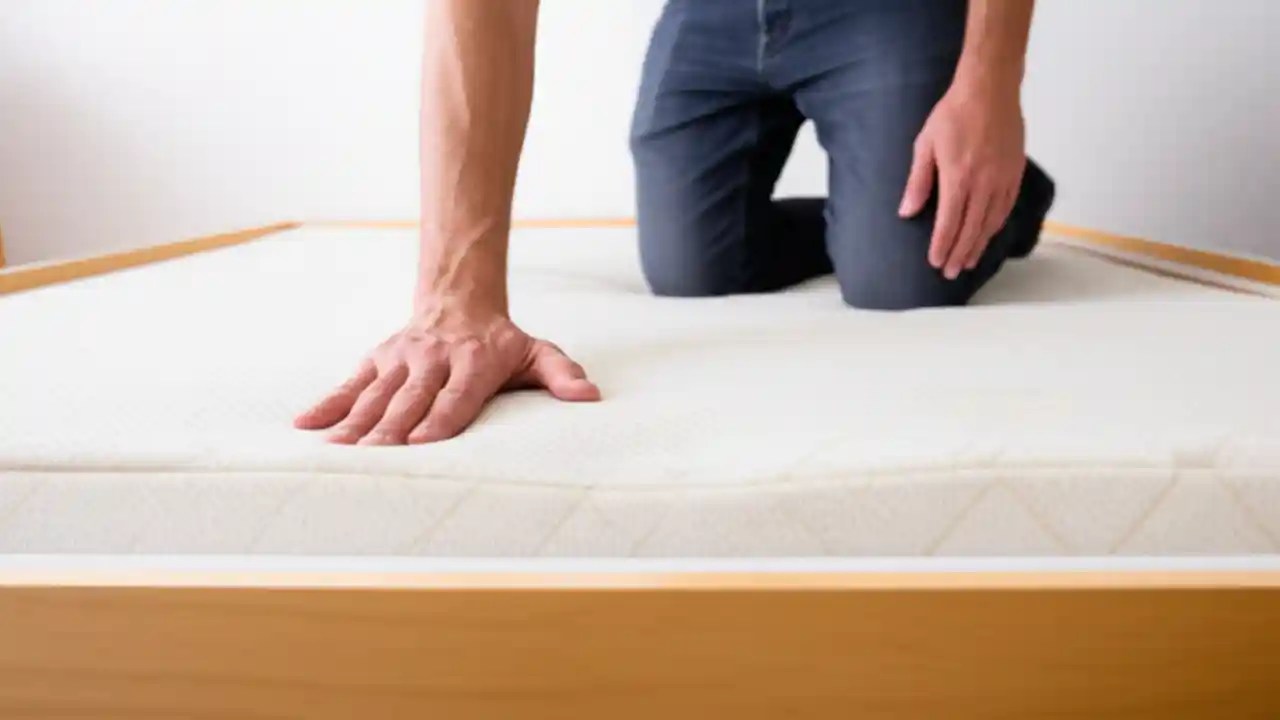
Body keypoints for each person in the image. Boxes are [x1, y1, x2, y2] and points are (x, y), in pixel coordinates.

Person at [295, 0, 1056, 446]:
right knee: (694, 269)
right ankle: (868, 214)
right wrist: (453, 302)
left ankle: (1001, 198)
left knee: (898, 277)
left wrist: (991, 82)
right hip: (715, 15)